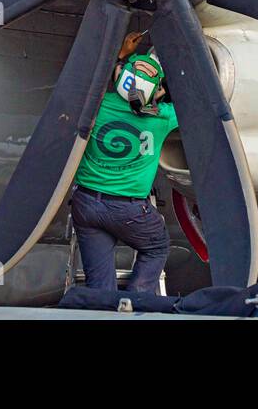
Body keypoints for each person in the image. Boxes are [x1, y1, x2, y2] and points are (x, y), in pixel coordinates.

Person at [70, 32, 178, 294]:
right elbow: (196, 104)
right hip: (128, 211)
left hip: (86, 205)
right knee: (156, 247)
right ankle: (136, 301)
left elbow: (89, 82)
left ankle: (105, 308)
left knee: (99, 288)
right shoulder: (162, 118)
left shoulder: (96, 105)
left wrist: (121, 55)